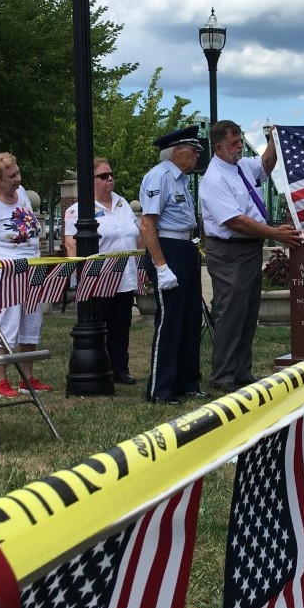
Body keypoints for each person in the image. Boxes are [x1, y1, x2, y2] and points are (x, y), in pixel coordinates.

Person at [199, 120, 302, 392]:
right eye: (234, 144)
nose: (240, 147)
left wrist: (274, 140)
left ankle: (241, 372)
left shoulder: (242, 167)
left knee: (247, 311)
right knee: (231, 311)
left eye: (241, 141)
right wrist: (274, 233)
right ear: (218, 147)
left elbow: (266, 165)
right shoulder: (214, 179)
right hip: (229, 250)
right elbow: (236, 221)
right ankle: (222, 376)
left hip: (248, 249)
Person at [0, 152, 51, 398]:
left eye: (18, 172)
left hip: (30, 268)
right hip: (3, 274)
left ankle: (27, 378)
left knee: (31, 321)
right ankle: (0, 381)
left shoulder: (22, 193)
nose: (18, 178)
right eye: (11, 176)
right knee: (5, 323)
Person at [139, 126, 207, 405]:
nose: (197, 156)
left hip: (185, 247)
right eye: (193, 150)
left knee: (191, 319)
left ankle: (187, 381)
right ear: (176, 151)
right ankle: (160, 388)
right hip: (167, 249)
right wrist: (161, 265)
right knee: (170, 320)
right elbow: (148, 224)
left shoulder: (180, 180)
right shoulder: (160, 177)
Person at [64, 157, 142, 386]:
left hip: (124, 276)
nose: (110, 180)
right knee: (98, 325)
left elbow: (134, 235)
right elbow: (71, 244)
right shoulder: (78, 210)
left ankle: (120, 368)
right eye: (104, 176)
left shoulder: (122, 203)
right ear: (91, 181)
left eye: (111, 175)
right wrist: (82, 275)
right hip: (98, 278)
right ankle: (100, 364)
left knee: (121, 324)